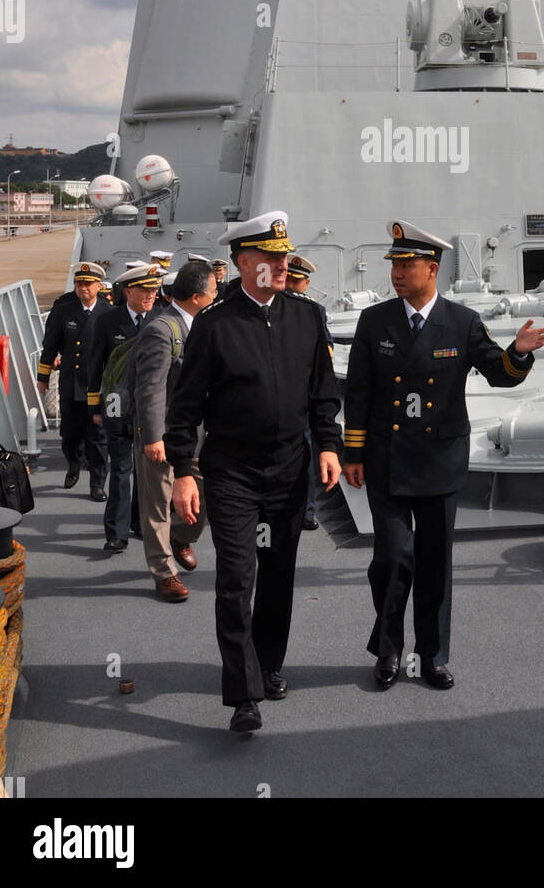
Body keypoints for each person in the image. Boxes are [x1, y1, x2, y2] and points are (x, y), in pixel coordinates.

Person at [343, 220, 544, 690]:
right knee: (393, 558)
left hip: (439, 462)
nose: (398, 273)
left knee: (436, 562)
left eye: (407, 264)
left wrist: (518, 353)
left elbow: (498, 373)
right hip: (387, 460)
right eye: (395, 265)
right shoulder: (374, 321)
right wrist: (352, 453)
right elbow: (357, 391)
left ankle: (432, 654)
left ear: (432, 268)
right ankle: (389, 648)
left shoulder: (461, 322)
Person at [165, 210, 342, 733]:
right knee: (236, 578)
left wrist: (328, 446)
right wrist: (183, 470)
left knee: (279, 575)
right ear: (244, 263)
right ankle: (244, 694)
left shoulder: (307, 317)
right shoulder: (215, 326)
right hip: (233, 472)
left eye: (284, 256)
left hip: (290, 469)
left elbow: (323, 394)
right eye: (270, 257)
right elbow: (184, 407)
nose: (281, 265)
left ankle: (268, 665)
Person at [133, 262, 216, 602]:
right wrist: (153, 437)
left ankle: (181, 537)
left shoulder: (203, 326)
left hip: (196, 435)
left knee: (204, 500)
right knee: (157, 506)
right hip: (162, 436)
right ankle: (164, 572)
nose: (216, 296)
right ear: (197, 297)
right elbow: (150, 389)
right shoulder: (161, 330)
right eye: (213, 291)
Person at [87, 263, 162, 553]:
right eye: (145, 290)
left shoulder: (161, 318)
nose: (151, 295)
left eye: (154, 289)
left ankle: (138, 522)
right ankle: (116, 533)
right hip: (117, 406)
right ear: (128, 290)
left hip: (150, 409)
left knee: (147, 471)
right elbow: (95, 366)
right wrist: (95, 405)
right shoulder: (108, 322)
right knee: (120, 469)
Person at [37, 262, 110, 499]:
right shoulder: (64, 311)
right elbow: (50, 346)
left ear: (98, 286)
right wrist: (43, 376)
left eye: (88, 284)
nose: (83, 288)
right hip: (71, 383)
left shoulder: (109, 312)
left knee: (98, 438)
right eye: (79, 283)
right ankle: (74, 465)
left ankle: (97, 483)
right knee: (70, 433)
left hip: (98, 385)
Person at [285, 254, 333, 532]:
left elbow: (324, 351)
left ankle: (304, 510)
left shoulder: (313, 311)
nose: (295, 285)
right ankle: (302, 510)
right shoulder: (309, 309)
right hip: (291, 393)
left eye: (298, 281)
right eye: (292, 279)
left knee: (303, 454)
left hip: (298, 392)